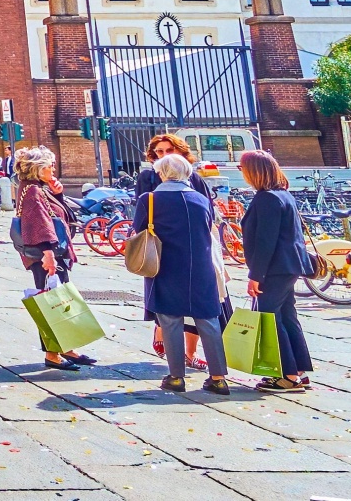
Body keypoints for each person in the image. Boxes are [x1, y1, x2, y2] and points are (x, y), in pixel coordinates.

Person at [135, 152, 230, 395]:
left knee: (170, 321)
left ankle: (177, 376)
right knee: (208, 321)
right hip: (201, 267)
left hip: (166, 266)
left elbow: (138, 230)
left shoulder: (150, 199)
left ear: (162, 174)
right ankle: (218, 378)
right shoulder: (201, 199)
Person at [239, 149, 314, 392]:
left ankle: (289, 376)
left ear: (254, 171)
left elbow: (265, 241)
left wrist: (255, 275)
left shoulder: (266, 198)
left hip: (275, 267)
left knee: (269, 318)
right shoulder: (283, 195)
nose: (242, 173)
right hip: (289, 264)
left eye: (242, 168)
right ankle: (299, 370)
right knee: (287, 316)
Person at [15, 150, 94, 370]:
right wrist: (48, 254)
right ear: (38, 168)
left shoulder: (38, 188)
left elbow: (61, 216)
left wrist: (58, 195)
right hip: (47, 254)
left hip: (51, 253)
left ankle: (64, 349)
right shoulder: (32, 190)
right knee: (52, 302)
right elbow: (38, 223)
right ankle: (53, 355)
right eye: (50, 165)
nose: (53, 169)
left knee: (57, 300)